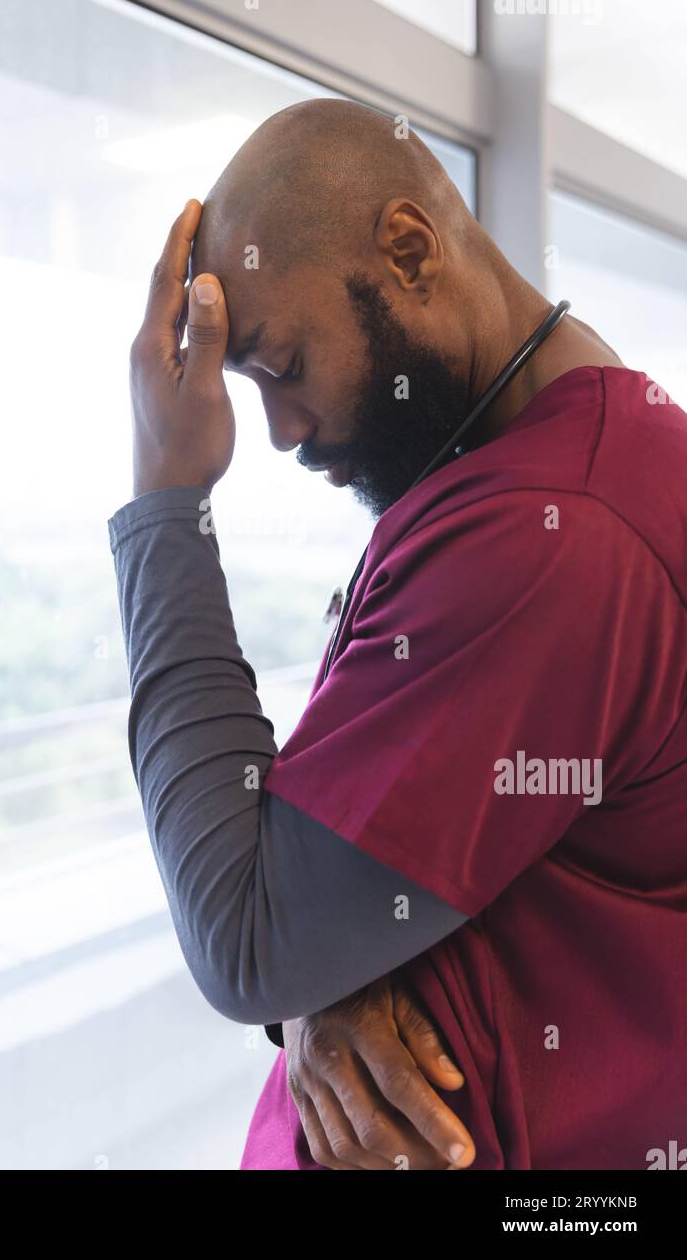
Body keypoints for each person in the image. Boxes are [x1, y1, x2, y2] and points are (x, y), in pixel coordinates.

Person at [108, 99, 687, 1170]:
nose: (276, 433)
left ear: (410, 251)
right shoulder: (556, 463)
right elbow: (325, 885)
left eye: (281, 366)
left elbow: (246, 933)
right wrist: (314, 980)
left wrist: (166, 503)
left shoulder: (553, 531)